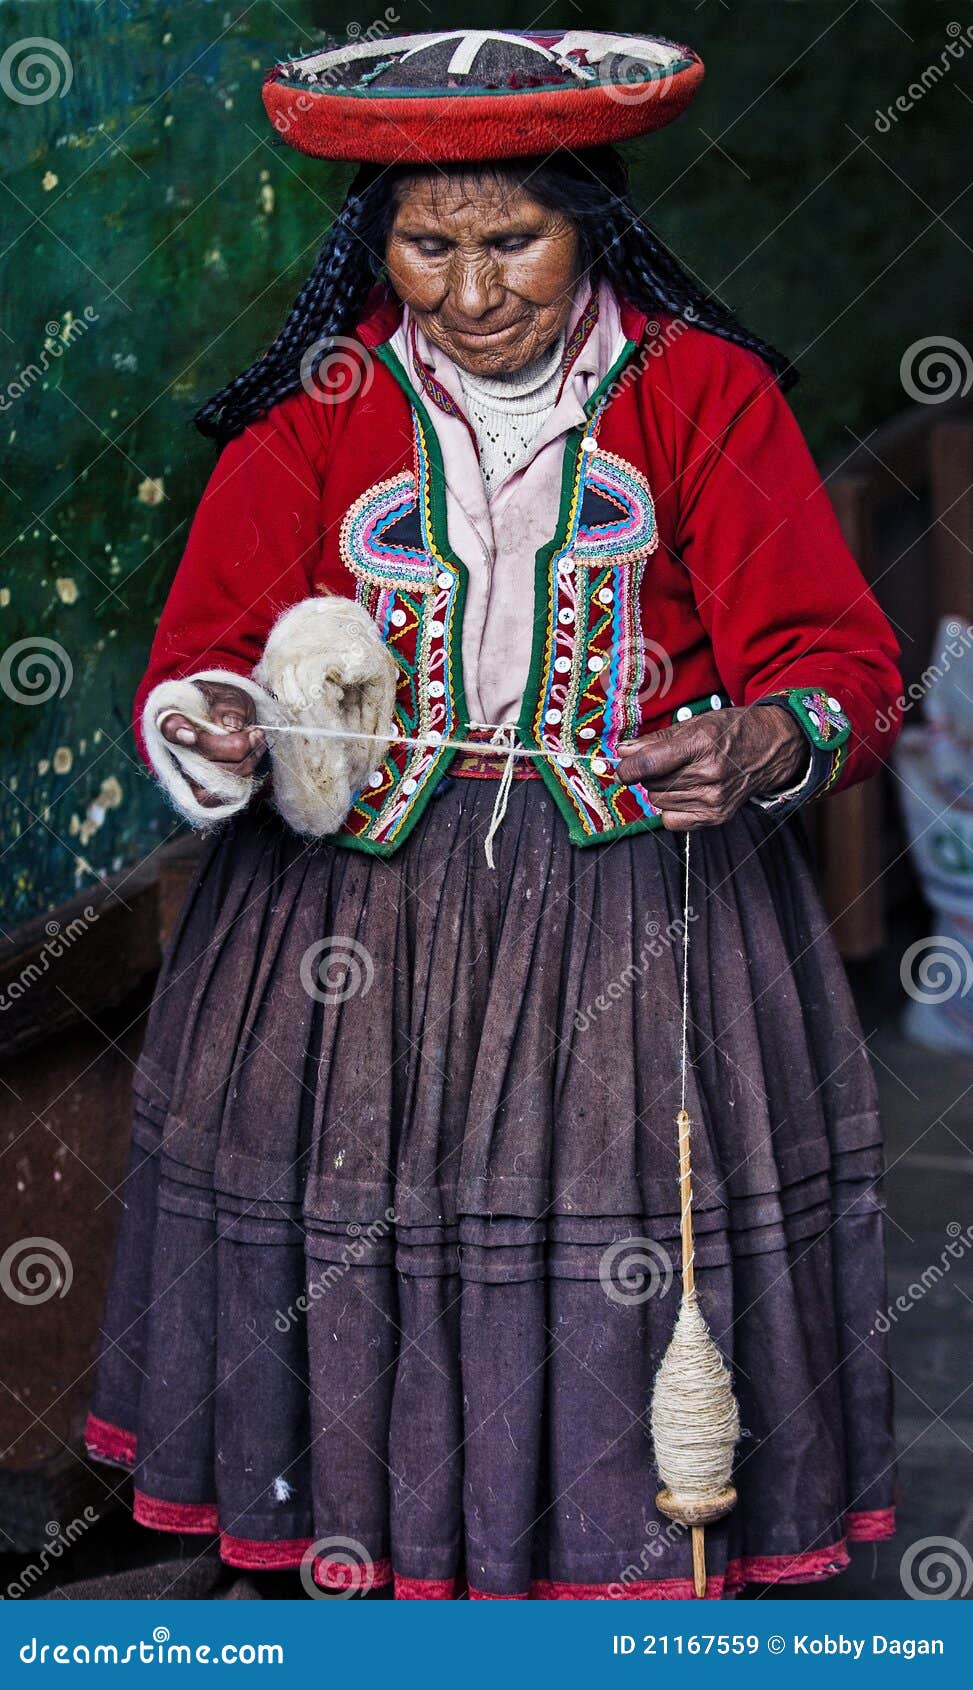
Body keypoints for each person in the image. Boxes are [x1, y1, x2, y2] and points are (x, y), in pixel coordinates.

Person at [86, 29, 901, 1600]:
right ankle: (375, 1580)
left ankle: (602, 1587)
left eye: (511, 240)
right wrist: (219, 719)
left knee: (611, 1241)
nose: (468, 295)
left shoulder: (699, 397)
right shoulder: (325, 403)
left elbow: (845, 664)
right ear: (372, 244)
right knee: (358, 1259)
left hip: (638, 911)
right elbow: (201, 650)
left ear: (591, 222)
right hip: (348, 931)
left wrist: (763, 734)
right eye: (425, 245)